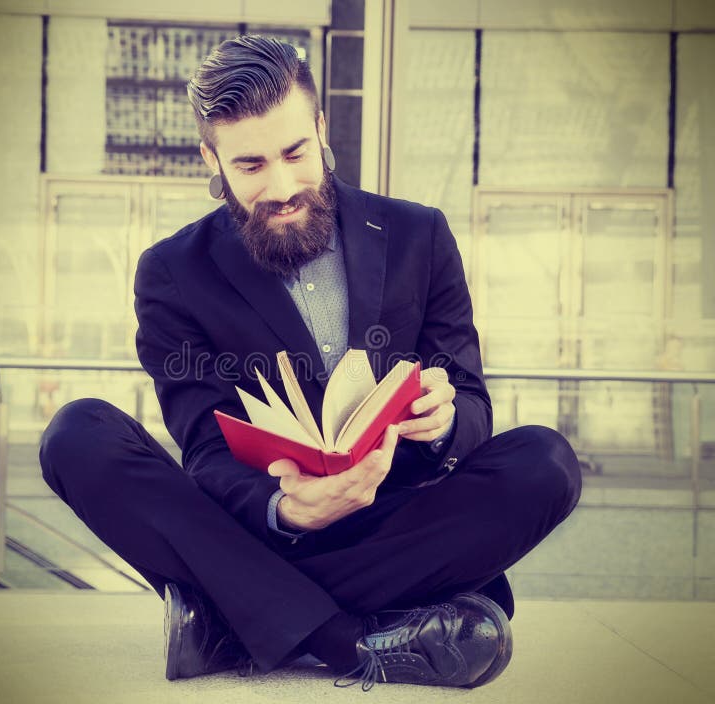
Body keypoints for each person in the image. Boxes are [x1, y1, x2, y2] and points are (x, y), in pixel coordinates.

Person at [39, 35, 581, 691]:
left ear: (321, 127)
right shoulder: (173, 273)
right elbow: (206, 451)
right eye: (250, 165)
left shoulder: (420, 235)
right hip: (263, 529)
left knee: (546, 464)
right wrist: (287, 510)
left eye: (296, 153)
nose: (282, 185)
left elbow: (471, 402)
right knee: (77, 435)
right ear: (210, 158)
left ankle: (233, 613)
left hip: (397, 522)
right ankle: (349, 641)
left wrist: (443, 419)